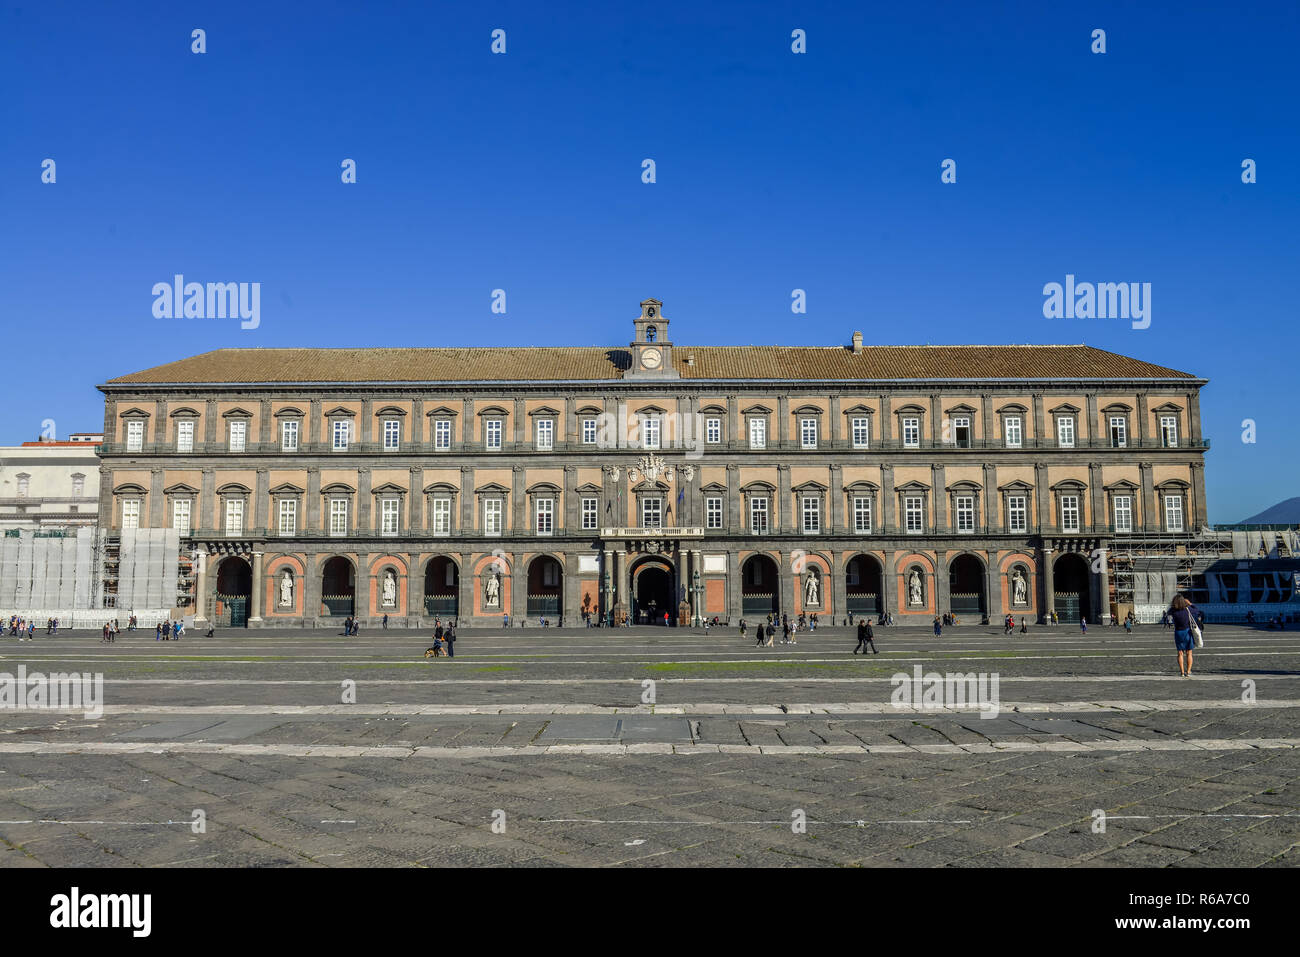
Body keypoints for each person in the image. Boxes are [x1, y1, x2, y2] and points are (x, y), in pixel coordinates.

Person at [1168, 594, 1200, 677]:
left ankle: (1182, 672)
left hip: (1178, 632)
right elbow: (1197, 610)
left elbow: (1168, 614)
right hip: (1187, 632)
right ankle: (1188, 671)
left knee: (1180, 653)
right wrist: (1190, 603)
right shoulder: (1188, 609)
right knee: (1189, 652)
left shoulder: (1173, 611)